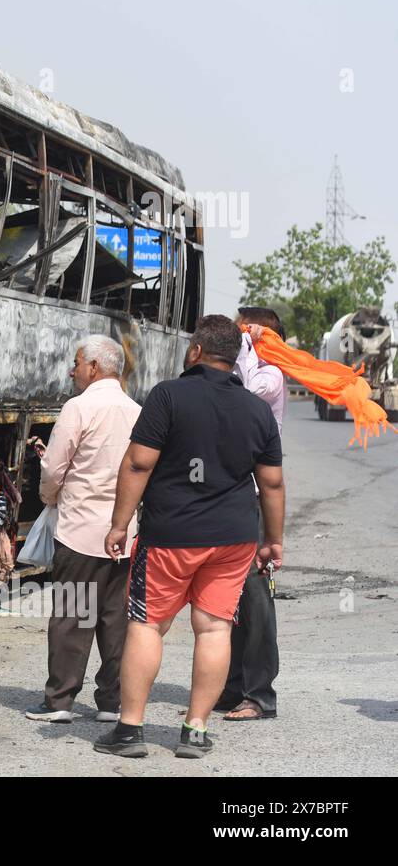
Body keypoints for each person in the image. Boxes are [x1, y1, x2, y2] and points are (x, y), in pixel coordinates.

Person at [94, 315, 285, 759]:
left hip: (170, 536)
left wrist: (119, 524)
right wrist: (273, 539)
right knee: (215, 627)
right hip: (235, 538)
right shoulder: (257, 410)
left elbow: (139, 463)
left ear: (197, 351)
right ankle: (195, 731)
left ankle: (130, 730)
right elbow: (272, 483)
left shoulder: (168, 395)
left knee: (147, 625)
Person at [25, 335, 140, 724]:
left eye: (76, 362)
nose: (72, 370)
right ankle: (111, 703)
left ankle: (60, 701)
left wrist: (49, 498)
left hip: (80, 531)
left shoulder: (79, 407)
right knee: (117, 620)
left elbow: (54, 468)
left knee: (74, 617)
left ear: (94, 367)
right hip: (125, 535)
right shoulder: (136, 410)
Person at [217, 306, 286, 721]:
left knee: (257, 598)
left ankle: (260, 694)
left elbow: (240, 388)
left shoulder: (271, 376)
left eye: (246, 329)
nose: (239, 333)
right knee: (231, 597)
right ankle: (232, 685)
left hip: (258, 499)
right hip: (233, 494)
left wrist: (244, 344)